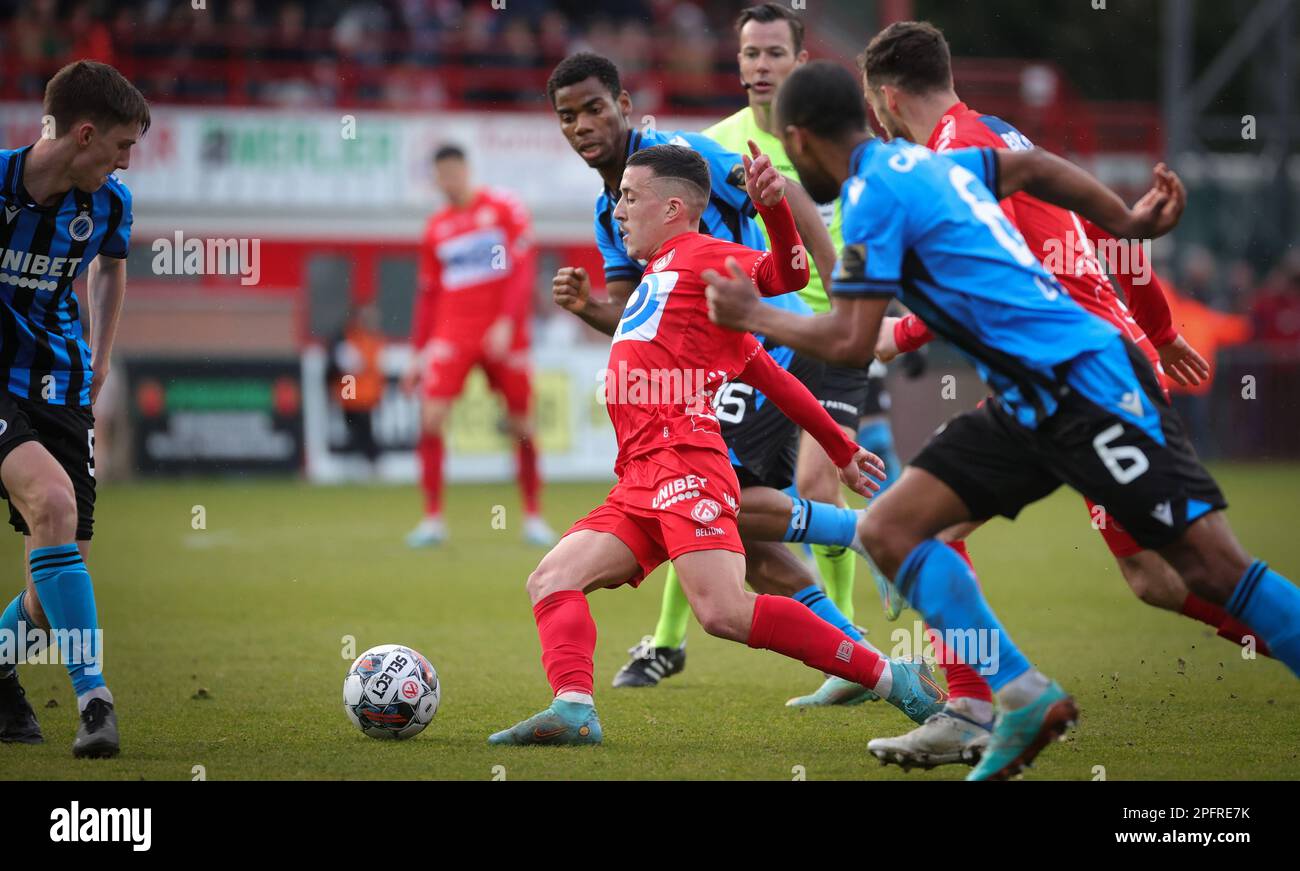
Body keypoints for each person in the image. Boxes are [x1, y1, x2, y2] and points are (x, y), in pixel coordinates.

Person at [704, 60, 1300, 780]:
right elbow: (1031, 167)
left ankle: (998, 699)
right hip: (1029, 403)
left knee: (1206, 566)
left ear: (798, 138)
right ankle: (1020, 696)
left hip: (1086, 385)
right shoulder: (924, 166)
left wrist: (753, 315)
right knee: (893, 529)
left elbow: (853, 341)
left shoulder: (872, 196)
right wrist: (1125, 218)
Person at [854, 20, 1268, 769]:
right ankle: (979, 702)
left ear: (884, 96)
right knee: (1152, 577)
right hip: (1087, 362)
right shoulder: (1003, 134)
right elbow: (1100, 228)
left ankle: (984, 700)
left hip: (1080, 374)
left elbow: (979, 272)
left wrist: (894, 335)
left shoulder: (948, 156)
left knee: (1189, 570)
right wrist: (1159, 324)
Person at [489, 144, 944, 745]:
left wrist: (775, 210)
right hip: (638, 479)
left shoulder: (704, 255)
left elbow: (790, 275)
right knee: (551, 580)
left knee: (724, 613)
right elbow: (769, 374)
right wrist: (839, 446)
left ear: (674, 208)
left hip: (686, 464)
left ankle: (892, 677)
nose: (617, 210)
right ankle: (574, 709)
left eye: (629, 197)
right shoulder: (664, 281)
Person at [0, 60, 148, 758]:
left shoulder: (110, 203)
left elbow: (111, 267)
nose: (126, 162)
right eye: (121, 147)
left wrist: (103, 353)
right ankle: (95, 701)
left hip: (61, 383)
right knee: (54, 511)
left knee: (54, 579)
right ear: (85, 135)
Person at [401, 144, 554, 548]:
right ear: (435, 180)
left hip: (504, 333)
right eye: (441, 175)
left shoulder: (504, 208)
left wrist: (507, 321)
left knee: (522, 425)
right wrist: (418, 352)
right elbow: (428, 294)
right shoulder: (436, 228)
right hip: (453, 333)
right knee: (431, 419)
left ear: (467, 170)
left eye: (454, 172)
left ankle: (532, 516)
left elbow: (523, 269)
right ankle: (432, 519)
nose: (449, 181)